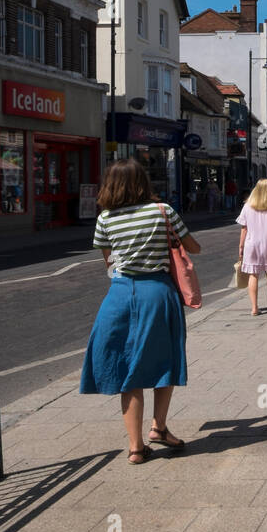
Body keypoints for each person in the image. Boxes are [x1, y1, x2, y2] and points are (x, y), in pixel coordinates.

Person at [80, 158, 202, 464]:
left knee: (128, 369)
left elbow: (110, 264)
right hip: (157, 293)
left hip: (119, 296)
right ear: (142, 183)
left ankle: (135, 447)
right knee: (165, 361)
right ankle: (158, 428)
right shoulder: (163, 211)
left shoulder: (105, 219)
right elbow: (194, 247)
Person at [237, 178, 267, 316]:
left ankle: (254, 307)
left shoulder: (247, 206)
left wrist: (240, 246)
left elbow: (244, 229)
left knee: (253, 275)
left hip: (251, 244)